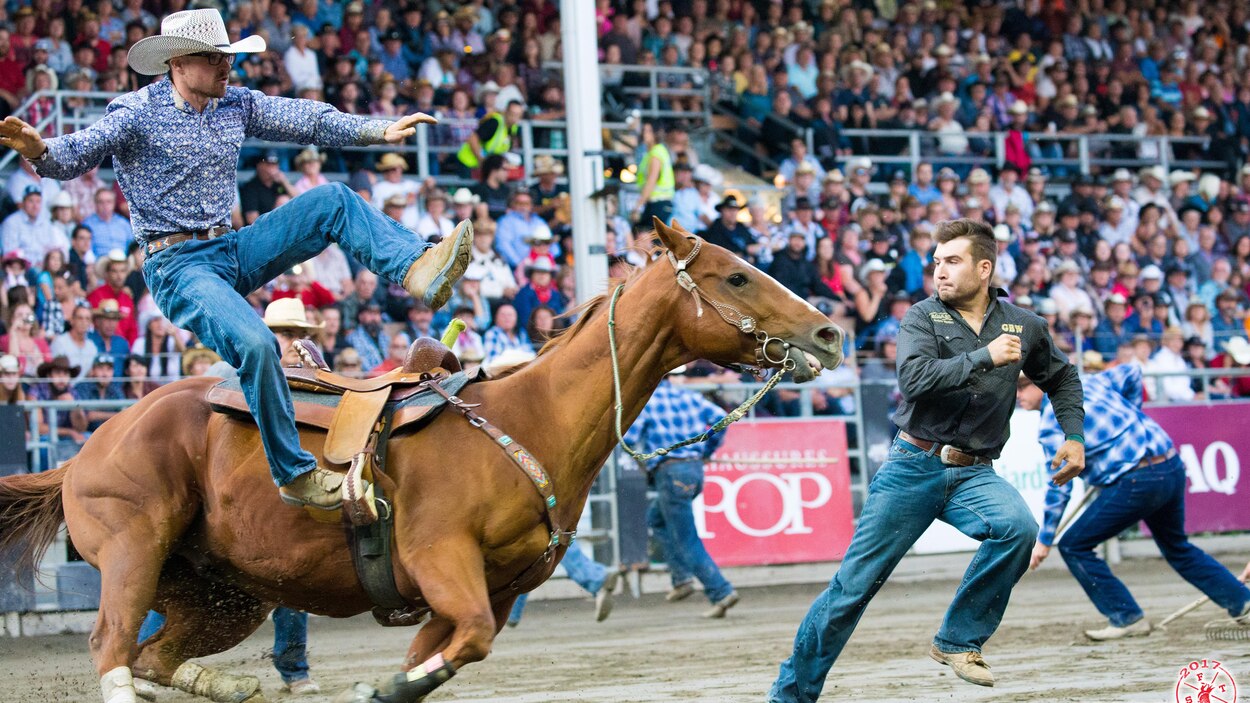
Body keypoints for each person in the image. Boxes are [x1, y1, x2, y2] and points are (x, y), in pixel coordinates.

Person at [0, 8, 474, 512]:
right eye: (213, 58)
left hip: (230, 248)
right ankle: (294, 474)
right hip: (178, 264)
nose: (226, 67)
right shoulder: (136, 112)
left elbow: (306, 118)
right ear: (178, 63)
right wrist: (41, 150)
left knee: (332, 200)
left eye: (227, 56)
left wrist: (378, 130)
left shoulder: (237, 103)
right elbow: (77, 151)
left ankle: (417, 266)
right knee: (255, 341)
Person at [769, 219, 1085, 699]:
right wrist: (986, 357)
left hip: (975, 471)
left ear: (984, 268)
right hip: (912, 466)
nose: (939, 271)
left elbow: (1062, 379)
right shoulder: (921, 316)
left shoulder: (1025, 325)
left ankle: (958, 640)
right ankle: (789, 697)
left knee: (1018, 528)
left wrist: (1074, 436)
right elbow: (914, 381)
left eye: (952, 261)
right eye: (936, 262)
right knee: (850, 592)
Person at [139, 296, 324, 695]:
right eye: (286, 333)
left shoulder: (313, 378)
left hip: (274, 494)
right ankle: (139, 655)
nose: (294, 341)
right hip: (222, 492)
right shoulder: (229, 368)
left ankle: (295, 669)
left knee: (295, 578)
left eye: (300, 334)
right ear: (266, 335)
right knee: (183, 572)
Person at [1020, 364, 1250, 640]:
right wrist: (1133, 414)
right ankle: (1242, 603)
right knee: (1177, 547)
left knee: (1074, 545)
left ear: (1040, 384)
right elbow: (1131, 372)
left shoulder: (1050, 423)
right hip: (1170, 465)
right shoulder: (1086, 383)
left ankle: (1125, 616)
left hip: (1137, 480)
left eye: (1021, 387)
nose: (1017, 395)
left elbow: (1058, 486)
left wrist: (1045, 541)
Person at [623, 367, 739, 620]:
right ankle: (681, 579)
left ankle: (720, 590)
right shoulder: (690, 397)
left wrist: (643, 457)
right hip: (694, 471)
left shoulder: (649, 402)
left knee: (685, 537)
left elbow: (629, 439)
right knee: (657, 519)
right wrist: (707, 451)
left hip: (670, 473)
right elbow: (723, 419)